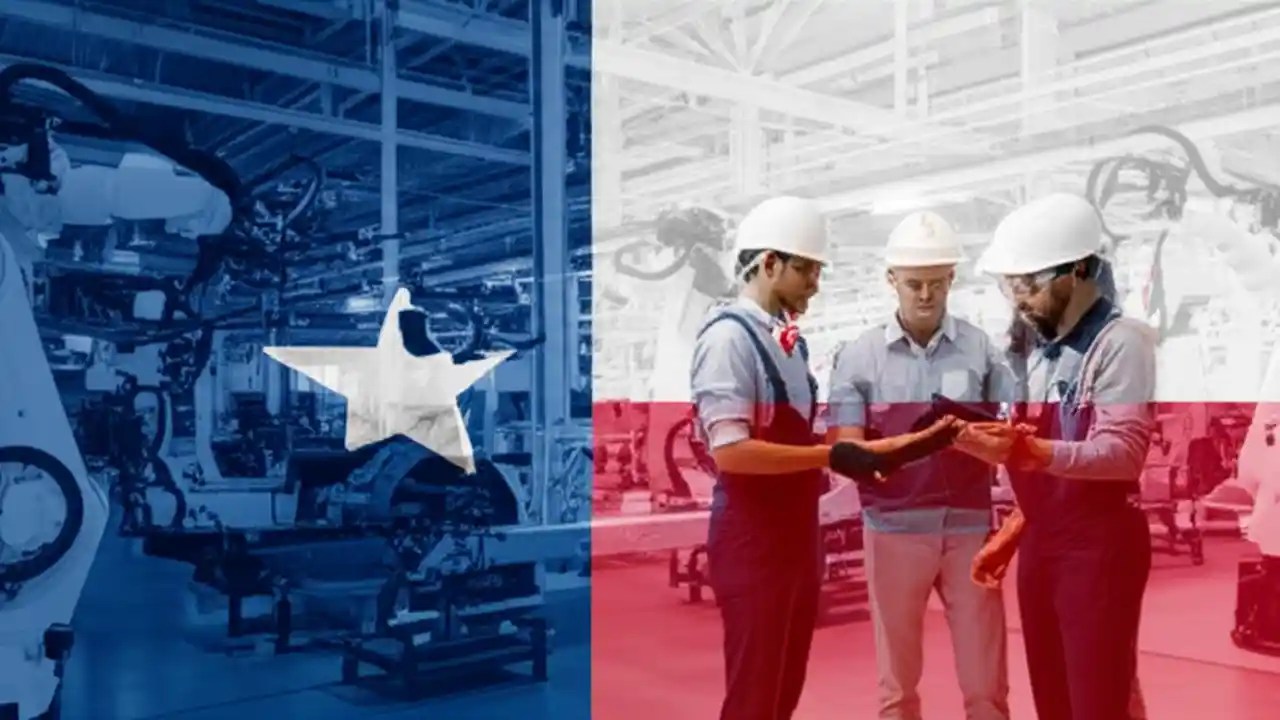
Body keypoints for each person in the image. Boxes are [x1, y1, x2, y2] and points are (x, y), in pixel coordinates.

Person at [689, 196, 960, 720]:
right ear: (769, 264)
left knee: (783, 690)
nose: (816, 283)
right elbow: (731, 453)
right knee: (754, 696)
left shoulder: (788, 345)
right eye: (807, 269)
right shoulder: (729, 340)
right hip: (753, 542)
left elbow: (802, 441)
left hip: (794, 537)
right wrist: (833, 455)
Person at [959, 192, 1157, 720]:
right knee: (1054, 701)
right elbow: (1048, 464)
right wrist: (1014, 532)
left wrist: (1026, 449)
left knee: (1098, 701)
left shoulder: (1120, 344)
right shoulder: (1035, 350)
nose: (1018, 300)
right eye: (1010, 288)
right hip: (1046, 546)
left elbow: (1123, 453)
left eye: (1028, 285)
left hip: (1100, 548)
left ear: (1077, 271)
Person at [827, 210, 1014, 720]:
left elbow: (1013, 434)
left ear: (952, 278)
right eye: (914, 284)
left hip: (970, 528)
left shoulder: (981, 351)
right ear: (892, 280)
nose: (926, 295)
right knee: (897, 684)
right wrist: (913, 445)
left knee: (986, 681)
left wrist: (979, 440)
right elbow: (847, 450)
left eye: (936, 283)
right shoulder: (859, 358)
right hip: (893, 529)